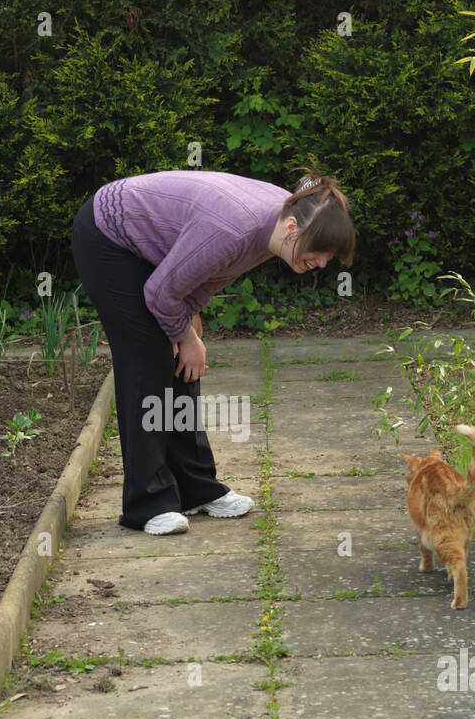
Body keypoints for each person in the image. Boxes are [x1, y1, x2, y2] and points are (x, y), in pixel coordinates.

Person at [71, 169, 356, 534]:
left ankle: (195, 489)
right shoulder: (234, 227)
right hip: (108, 235)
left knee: (180, 362)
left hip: (151, 249)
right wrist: (186, 337)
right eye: (319, 253)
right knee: (149, 359)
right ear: (290, 230)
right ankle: (145, 504)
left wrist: (186, 330)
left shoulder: (274, 225)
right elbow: (161, 293)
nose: (321, 264)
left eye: (328, 258)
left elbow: (207, 280)